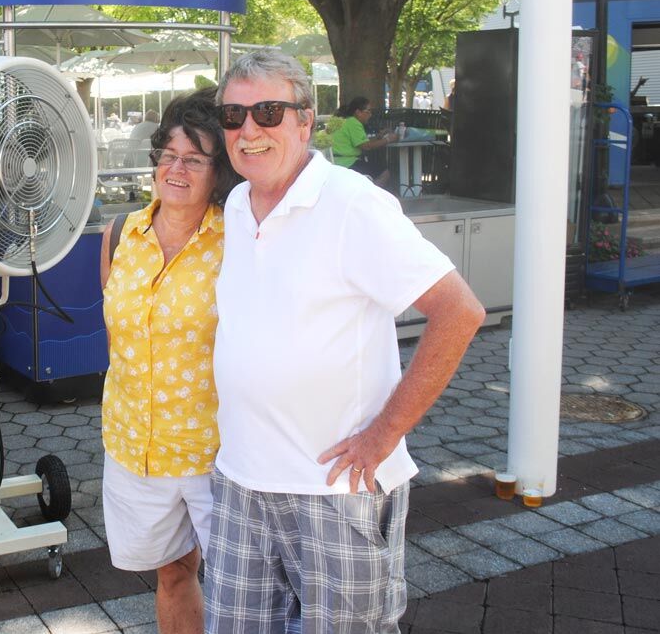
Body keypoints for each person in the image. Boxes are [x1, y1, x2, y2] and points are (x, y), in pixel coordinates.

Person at [206, 50, 485, 633]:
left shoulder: (353, 203)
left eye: (268, 112)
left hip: (335, 491)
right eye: (234, 116)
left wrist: (384, 435)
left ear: (305, 121)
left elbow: (459, 312)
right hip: (241, 484)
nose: (248, 130)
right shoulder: (236, 203)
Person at [100, 87, 240, 634]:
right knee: (174, 576)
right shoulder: (119, 236)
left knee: (243, 590)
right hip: (138, 448)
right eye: (168, 155)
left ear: (218, 172)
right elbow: (117, 339)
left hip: (219, 454)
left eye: (195, 159)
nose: (176, 169)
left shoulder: (241, 241)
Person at [330, 96, 398, 184]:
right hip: (347, 163)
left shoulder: (345, 121)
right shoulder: (353, 123)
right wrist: (388, 139)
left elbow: (362, 141)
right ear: (358, 112)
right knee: (384, 174)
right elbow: (366, 146)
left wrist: (378, 136)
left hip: (337, 161)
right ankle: (370, 195)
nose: (370, 115)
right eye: (368, 111)